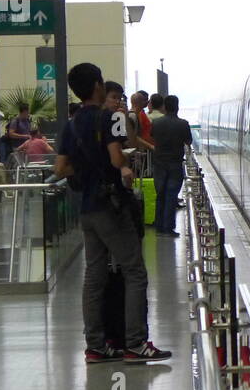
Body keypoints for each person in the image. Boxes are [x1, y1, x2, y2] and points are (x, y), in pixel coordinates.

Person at [55, 63, 170, 365]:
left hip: (86, 208)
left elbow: (60, 168)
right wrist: (121, 168)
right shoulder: (108, 118)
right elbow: (118, 156)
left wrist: (86, 167)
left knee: (94, 276)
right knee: (134, 271)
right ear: (97, 86)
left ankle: (96, 346)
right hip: (110, 206)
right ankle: (135, 344)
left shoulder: (72, 122)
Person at [150, 95, 193, 237]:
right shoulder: (183, 124)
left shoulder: (156, 123)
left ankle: (159, 227)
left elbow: (152, 137)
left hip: (159, 163)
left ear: (165, 107)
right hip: (175, 163)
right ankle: (168, 228)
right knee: (171, 195)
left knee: (160, 194)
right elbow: (188, 142)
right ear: (177, 106)